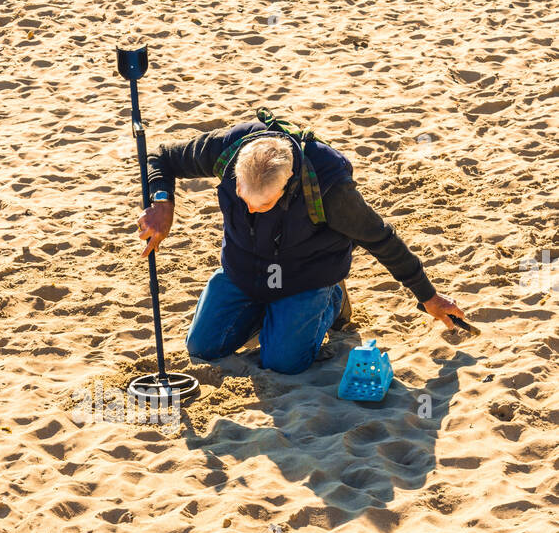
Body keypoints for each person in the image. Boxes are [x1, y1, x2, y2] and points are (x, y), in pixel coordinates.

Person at [141, 114, 466, 374]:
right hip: (243, 271)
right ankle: (271, 312)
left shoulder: (329, 188)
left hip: (305, 276)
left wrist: (429, 296)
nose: (251, 209)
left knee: (282, 363)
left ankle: (333, 299)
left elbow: (382, 239)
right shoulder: (227, 149)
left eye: (263, 205)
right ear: (237, 173)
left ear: (287, 185)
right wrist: (162, 204)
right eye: (244, 196)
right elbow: (162, 156)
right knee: (202, 348)